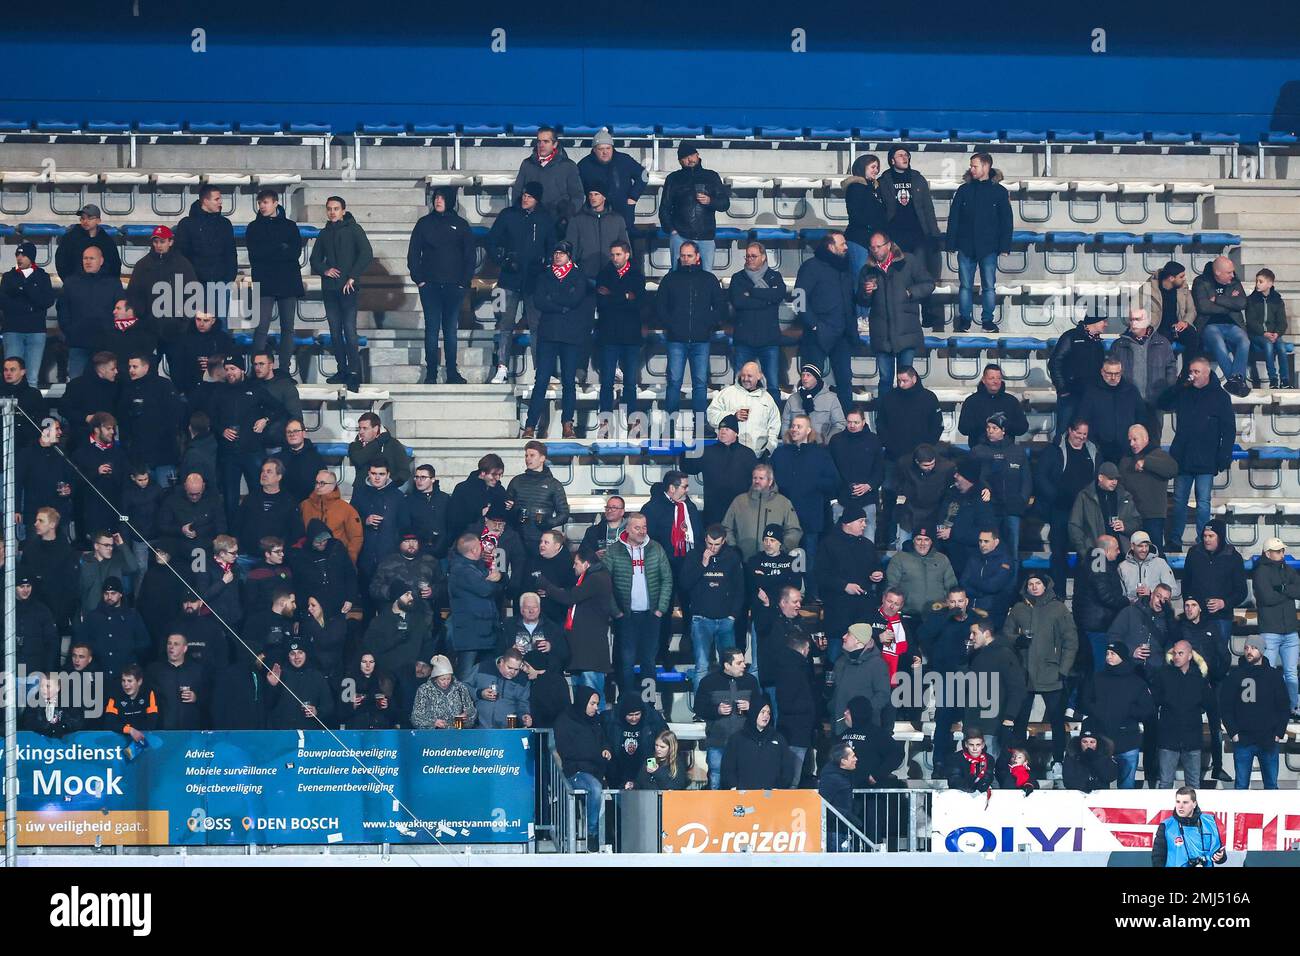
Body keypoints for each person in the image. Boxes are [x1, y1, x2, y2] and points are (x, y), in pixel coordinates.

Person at [1003, 574, 1077, 776]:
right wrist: (1018, 640)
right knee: (1020, 721)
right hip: (1024, 673)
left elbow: (1071, 641)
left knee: (1056, 720)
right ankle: (1017, 761)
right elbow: (1006, 634)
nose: (1034, 587)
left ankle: (1059, 761)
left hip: (1051, 672)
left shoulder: (1058, 609)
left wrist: (1063, 669)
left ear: (1046, 585)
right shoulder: (1019, 609)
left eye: (1038, 584)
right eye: (1031, 584)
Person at [1159, 357, 1235, 552]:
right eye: (1190, 371)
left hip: (1207, 458)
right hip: (1183, 457)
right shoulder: (1183, 391)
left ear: (1207, 373)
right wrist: (1179, 385)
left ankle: (1202, 541)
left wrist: (1224, 456)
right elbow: (1162, 402)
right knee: (1178, 502)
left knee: (1203, 503)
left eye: (1196, 371)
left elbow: (1228, 429)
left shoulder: (1220, 396)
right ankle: (1174, 540)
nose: (1192, 374)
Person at [486, 181, 555, 384]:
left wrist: (545, 264)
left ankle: (540, 370)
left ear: (537, 199)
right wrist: (503, 258)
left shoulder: (544, 219)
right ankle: (502, 368)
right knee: (505, 325)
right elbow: (491, 241)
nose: (526, 198)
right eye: (524, 195)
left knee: (537, 327)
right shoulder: (508, 215)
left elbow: (552, 246)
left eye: (530, 196)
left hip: (535, 281)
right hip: (509, 279)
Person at [522, 241, 590, 439]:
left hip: (570, 335)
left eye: (562, 253)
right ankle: (530, 426)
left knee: (569, 381)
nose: (558, 256)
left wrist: (554, 299)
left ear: (570, 256)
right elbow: (539, 301)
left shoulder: (578, 276)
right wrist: (561, 305)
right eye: (556, 252)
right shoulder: (544, 276)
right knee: (541, 380)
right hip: (548, 334)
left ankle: (567, 425)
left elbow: (576, 299)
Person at [407, 187, 474, 385]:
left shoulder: (461, 225)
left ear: (451, 200)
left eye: (442, 198)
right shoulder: (423, 224)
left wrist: (463, 282)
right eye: (436, 197)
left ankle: (452, 372)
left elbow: (470, 256)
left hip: (454, 286)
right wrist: (419, 279)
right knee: (432, 330)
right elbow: (413, 254)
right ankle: (431, 373)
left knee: (450, 331)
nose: (438, 201)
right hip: (430, 287)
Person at [855, 230, 935, 393]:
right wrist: (866, 293)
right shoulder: (867, 270)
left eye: (878, 246)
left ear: (889, 245)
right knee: (885, 379)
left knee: (906, 378)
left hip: (906, 330)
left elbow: (928, 284)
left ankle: (907, 416)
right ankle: (884, 417)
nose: (875, 250)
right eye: (872, 247)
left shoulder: (909, 262)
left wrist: (910, 292)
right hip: (881, 334)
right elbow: (861, 300)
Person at [657, 240, 725, 428]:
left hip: (701, 339)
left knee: (700, 384)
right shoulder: (670, 279)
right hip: (676, 340)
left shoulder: (709, 279)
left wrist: (707, 324)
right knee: (674, 383)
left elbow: (720, 307)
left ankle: (700, 426)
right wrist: (672, 325)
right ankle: (669, 426)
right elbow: (660, 307)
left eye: (689, 255)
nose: (685, 259)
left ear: (697, 257)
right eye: (683, 255)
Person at [309, 195, 373, 390]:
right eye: (329, 209)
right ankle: (342, 369)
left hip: (349, 288)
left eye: (336, 208)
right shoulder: (324, 233)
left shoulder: (354, 229)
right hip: (330, 289)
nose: (332, 212)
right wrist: (325, 269)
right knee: (335, 332)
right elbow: (314, 259)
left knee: (349, 331)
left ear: (343, 210)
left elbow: (366, 253)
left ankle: (354, 372)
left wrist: (353, 276)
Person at [878, 146, 944, 331]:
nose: (905, 157)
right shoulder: (883, 181)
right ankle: (903, 317)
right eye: (900, 155)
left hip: (918, 234)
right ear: (892, 160)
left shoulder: (917, 178)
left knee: (922, 274)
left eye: (906, 155)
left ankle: (928, 313)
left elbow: (928, 209)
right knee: (899, 276)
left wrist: (933, 233)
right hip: (895, 235)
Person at [946, 153, 1013, 333]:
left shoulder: (999, 191)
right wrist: (951, 243)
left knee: (989, 286)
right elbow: (954, 218)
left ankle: (987, 321)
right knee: (965, 286)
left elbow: (1006, 220)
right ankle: (965, 320)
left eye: (975, 166)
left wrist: (1005, 246)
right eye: (971, 166)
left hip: (989, 247)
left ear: (986, 167)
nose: (971, 169)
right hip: (966, 246)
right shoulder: (963, 190)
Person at [541, 544, 614, 708]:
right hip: (580, 654)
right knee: (581, 701)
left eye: (576, 563)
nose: (573, 566)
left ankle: (598, 729)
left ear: (586, 563)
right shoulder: (589, 579)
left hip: (591, 655)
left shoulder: (597, 578)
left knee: (593, 697)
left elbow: (571, 597)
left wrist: (547, 586)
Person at [772, 415, 838, 594]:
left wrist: (813, 483)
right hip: (785, 518)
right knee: (786, 558)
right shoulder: (780, 453)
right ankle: (786, 594)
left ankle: (811, 595)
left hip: (811, 517)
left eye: (799, 426)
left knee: (810, 559)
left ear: (809, 430)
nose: (794, 429)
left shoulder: (820, 454)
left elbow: (833, 482)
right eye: (793, 426)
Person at [1035, 419, 1100, 594]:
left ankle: (1085, 592)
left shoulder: (1092, 451)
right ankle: (1059, 594)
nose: (1081, 437)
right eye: (1078, 433)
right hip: (1061, 508)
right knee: (1059, 552)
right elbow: (1041, 477)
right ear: (1070, 431)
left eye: (1085, 434)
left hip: (1085, 510)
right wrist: (1055, 496)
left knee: (1087, 551)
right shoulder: (1053, 450)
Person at [794, 230, 856, 412]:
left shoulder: (845, 268)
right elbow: (798, 299)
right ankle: (808, 427)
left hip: (842, 335)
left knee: (845, 382)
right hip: (816, 335)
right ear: (830, 246)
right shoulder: (811, 266)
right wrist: (814, 325)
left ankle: (846, 425)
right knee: (809, 383)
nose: (846, 247)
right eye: (842, 244)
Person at [918, 587, 978, 774]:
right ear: (947, 602)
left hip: (971, 677)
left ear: (966, 601)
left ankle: (971, 762)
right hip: (945, 676)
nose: (956, 605)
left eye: (960, 601)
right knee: (944, 719)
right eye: (952, 602)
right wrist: (946, 616)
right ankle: (939, 762)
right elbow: (922, 635)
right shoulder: (939, 617)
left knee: (970, 720)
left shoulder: (976, 619)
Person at [679, 524, 745, 692]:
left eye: (717, 544)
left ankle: (730, 704)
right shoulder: (694, 555)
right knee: (702, 665)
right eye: (709, 544)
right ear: (705, 539)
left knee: (730, 665)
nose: (712, 548)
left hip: (725, 620)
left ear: (724, 541)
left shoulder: (732, 557)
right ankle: (700, 709)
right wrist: (703, 564)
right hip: (701, 620)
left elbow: (740, 589)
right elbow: (684, 584)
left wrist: (733, 616)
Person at [1081, 641, 1155, 789]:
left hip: (1128, 741)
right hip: (1102, 741)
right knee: (1099, 789)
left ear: (1122, 656)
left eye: (1113, 654)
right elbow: (1085, 701)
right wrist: (1099, 711)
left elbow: (1147, 709)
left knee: (1126, 789)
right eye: (1107, 653)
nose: (1109, 657)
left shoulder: (1136, 681)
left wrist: (1128, 711)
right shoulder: (1097, 678)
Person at [246, 189, 305, 374]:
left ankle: (284, 370)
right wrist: (280, 247)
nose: (262, 206)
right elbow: (256, 254)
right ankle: (257, 370)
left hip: (287, 281)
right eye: (260, 202)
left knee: (288, 328)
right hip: (264, 282)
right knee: (261, 328)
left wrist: (271, 250)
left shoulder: (290, 226)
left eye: (266, 202)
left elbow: (295, 252)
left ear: (275, 203)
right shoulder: (254, 227)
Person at [1220, 635, 1291, 789]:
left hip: (1268, 740)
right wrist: (1234, 732)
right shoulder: (1235, 676)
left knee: (1271, 786)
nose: (1249, 651)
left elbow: (1284, 706)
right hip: (1243, 740)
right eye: (1246, 648)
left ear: (1262, 650)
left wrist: (1278, 732)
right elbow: (1225, 706)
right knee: (1241, 786)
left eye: (1253, 648)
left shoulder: (1273, 676)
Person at [593, 240, 645, 428]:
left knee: (630, 383)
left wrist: (612, 295)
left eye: (618, 254)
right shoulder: (603, 274)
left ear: (627, 254)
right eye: (613, 254)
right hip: (608, 336)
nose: (615, 258)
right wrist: (625, 296)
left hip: (631, 337)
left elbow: (639, 304)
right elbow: (602, 304)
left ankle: (633, 424)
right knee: (606, 383)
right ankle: (604, 424)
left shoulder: (637, 275)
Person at [819, 506, 884, 654]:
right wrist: (844, 586)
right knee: (835, 658)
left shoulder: (867, 545)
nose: (864, 525)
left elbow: (876, 567)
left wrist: (878, 574)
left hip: (862, 614)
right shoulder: (828, 544)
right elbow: (821, 575)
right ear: (848, 522)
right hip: (838, 613)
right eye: (861, 521)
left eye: (865, 521)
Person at [1151, 639, 1215, 789]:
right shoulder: (1163, 676)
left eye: (1181, 653)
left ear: (1190, 656)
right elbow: (1153, 702)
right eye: (1175, 653)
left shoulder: (1199, 679)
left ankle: (1194, 813)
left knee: (1193, 784)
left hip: (1192, 739)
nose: (1176, 656)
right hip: (1168, 739)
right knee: (1165, 783)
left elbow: (1211, 705)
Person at [694, 647, 761, 789]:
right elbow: (699, 708)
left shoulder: (751, 681)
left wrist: (751, 707)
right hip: (718, 741)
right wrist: (716, 710)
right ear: (727, 665)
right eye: (739, 663)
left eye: (743, 662)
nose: (744, 665)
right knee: (716, 778)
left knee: (746, 778)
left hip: (745, 742)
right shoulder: (708, 682)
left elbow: (762, 708)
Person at [729, 242, 787, 405]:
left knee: (773, 385)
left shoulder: (775, 276)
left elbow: (778, 295)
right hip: (744, 340)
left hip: (769, 340)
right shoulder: (737, 278)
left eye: (753, 256)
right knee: (741, 386)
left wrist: (752, 292)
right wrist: (766, 299)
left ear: (763, 257)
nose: (750, 259)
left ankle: (774, 424)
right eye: (747, 256)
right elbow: (739, 302)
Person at [553, 687, 609, 849]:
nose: (595, 707)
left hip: (596, 769)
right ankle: (592, 832)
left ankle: (609, 833)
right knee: (595, 788)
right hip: (575, 770)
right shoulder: (565, 720)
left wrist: (606, 749)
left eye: (597, 704)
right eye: (592, 704)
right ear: (582, 702)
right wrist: (596, 754)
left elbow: (604, 740)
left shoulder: (595, 720)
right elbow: (567, 751)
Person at [659, 141, 730, 271]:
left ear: (698, 155)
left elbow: (725, 203)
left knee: (707, 275)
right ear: (680, 161)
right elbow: (664, 208)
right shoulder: (673, 178)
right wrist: (672, 231)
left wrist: (710, 201)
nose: (689, 159)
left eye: (691, 155)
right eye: (685, 157)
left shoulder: (711, 176)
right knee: (677, 274)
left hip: (706, 236)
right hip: (680, 235)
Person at [115, 353, 183, 487]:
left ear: (146, 367)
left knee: (166, 491)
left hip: (164, 452)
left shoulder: (164, 386)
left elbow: (176, 414)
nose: (131, 370)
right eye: (129, 367)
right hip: (139, 455)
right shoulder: (127, 389)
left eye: (135, 366)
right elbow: (123, 419)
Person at [962, 620, 1027, 758]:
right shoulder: (975, 654)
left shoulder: (1004, 654)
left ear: (986, 633)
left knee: (989, 765)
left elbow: (1017, 687)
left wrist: (1009, 717)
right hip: (972, 722)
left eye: (974, 633)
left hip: (992, 723)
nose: (971, 637)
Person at [173, 185, 238, 324]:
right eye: (217, 199)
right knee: (193, 326)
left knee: (220, 325)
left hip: (220, 284)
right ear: (205, 201)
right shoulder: (187, 224)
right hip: (195, 285)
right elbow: (180, 255)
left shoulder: (225, 224)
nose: (220, 202)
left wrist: (228, 278)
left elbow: (231, 253)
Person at [1252, 538, 1300, 719]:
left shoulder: (1288, 570)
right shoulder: (1260, 572)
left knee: (1291, 673)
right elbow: (1266, 598)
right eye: (1277, 551)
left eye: (1282, 550)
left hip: (1290, 632)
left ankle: (1293, 708)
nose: (1281, 553)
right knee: (1268, 672)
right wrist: (1288, 593)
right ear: (1268, 553)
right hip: (1270, 631)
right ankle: (1268, 708)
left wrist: (1281, 589)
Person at [447, 533, 505, 681]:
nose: (482, 548)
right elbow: (486, 589)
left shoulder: (476, 567)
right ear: (473, 550)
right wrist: (494, 581)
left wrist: (498, 576)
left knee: (486, 677)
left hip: (485, 633)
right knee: (466, 677)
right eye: (480, 545)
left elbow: (499, 585)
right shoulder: (461, 570)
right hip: (469, 635)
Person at [1191, 255, 1252, 397]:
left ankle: (1234, 381)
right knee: (1218, 343)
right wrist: (1230, 305)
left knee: (1245, 341)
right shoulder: (1201, 282)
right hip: (1209, 324)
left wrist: (1218, 299)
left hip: (1232, 324)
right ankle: (1237, 381)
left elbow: (1242, 303)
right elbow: (1204, 307)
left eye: (1232, 272)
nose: (1232, 275)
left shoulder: (1234, 281)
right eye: (1229, 272)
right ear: (1217, 272)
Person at [971, 412, 1032, 554]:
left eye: (995, 428)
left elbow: (1027, 480)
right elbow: (973, 479)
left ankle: (1012, 576)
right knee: (988, 550)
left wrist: (1021, 500)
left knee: (1013, 552)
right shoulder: (978, 451)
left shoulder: (1017, 452)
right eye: (988, 427)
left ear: (1003, 431)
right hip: (989, 510)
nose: (990, 431)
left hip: (1012, 509)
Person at [57, 246, 121, 378]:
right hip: (78, 343)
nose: (88, 261)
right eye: (85, 258)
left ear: (101, 260)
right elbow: (62, 309)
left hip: (105, 344)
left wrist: (112, 333)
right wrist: (70, 330)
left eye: (92, 258)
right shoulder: (70, 283)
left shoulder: (113, 283)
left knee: (105, 384)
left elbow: (121, 309)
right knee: (76, 383)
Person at [1181, 518, 1246, 647]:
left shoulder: (1233, 557)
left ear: (1220, 537)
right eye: (1205, 536)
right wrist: (1191, 605)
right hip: (1197, 616)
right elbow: (1186, 583)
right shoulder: (1194, 554)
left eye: (1211, 536)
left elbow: (1242, 591)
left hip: (1221, 617)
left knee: (1219, 656)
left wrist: (1224, 603)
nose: (1207, 539)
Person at [681, 415, 757, 526]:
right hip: (713, 510)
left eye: (727, 429)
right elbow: (689, 467)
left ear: (736, 433)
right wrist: (685, 451)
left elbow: (755, 481)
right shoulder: (707, 452)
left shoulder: (747, 454)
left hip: (740, 510)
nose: (723, 431)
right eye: (721, 429)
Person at [1075, 358, 1152, 466]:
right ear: (1102, 372)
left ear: (1121, 372)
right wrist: (1093, 443)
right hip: (1100, 450)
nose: (1113, 377)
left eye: (1117, 374)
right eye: (1109, 373)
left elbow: (1142, 418)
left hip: (1127, 449)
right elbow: (1083, 418)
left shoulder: (1131, 390)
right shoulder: (1091, 392)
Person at [74, 576, 150, 684]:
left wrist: (133, 662)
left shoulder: (132, 616)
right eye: (106, 593)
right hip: (98, 676)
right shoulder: (93, 617)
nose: (109, 597)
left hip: (125, 677)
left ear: (121, 594)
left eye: (113, 593)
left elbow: (144, 643)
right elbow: (82, 643)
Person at [1111, 310, 1178, 429]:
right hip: (1128, 403)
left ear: (1147, 321)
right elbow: (1112, 372)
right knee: (1129, 441)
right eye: (1131, 320)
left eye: (1137, 319)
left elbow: (1171, 369)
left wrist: (1166, 394)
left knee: (1154, 442)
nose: (1133, 323)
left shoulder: (1162, 343)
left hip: (1155, 402)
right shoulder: (1119, 345)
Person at [1, 242, 56, 385]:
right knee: (12, 375)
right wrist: (31, 304)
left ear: (31, 257)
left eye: (23, 255)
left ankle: (30, 407)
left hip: (36, 331)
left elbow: (47, 301)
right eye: (17, 254)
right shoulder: (8, 277)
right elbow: (4, 302)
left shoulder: (42, 277)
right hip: (13, 329)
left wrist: (23, 289)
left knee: (32, 377)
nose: (19, 258)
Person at [721, 462, 801, 561]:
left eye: (761, 478)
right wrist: (734, 549)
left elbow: (794, 530)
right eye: (755, 478)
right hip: (744, 560)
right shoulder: (739, 501)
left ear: (770, 481)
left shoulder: (783, 503)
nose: (757, 481)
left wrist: (781, 549)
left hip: (773, 563)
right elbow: (726, 528)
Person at [766, 632, 817, 786]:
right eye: (808, 648)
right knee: (791, 780)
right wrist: (809, 710)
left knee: (791, 778)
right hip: (796, 731)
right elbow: (788, 701)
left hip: (793, 730)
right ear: (803, 649)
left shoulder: (788, 665)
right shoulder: (795, 668)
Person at [827, 404, 885, 537]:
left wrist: (869, 486)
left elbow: (880, 470)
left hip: (867, 499)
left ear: (864, 422)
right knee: (840, 542)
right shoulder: (836, 441)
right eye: (849, 422)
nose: (852, 425)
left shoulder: (874, 440)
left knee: (868, 539)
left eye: (856, 422)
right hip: (841, 499)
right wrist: (834, 500)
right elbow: (830, 471)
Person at [1118, 424, 1178, 551]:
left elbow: (1172, 469)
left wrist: (1147, 463)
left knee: (1154, 552)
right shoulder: (1125, 460)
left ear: (1145, 438)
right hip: (1132, 517)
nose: (1132, 444)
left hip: (1153, 516)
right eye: (1129, 440)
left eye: (1135, 439)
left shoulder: (1159, 454)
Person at [1048, 314, 1108, 440]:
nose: (1106, 324)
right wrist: (1063, 389)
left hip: (1090, 396)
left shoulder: (1097, 342)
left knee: (1087, 434)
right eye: (1104, 321)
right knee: (1064, 432)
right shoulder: (1071, 336)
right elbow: (1055, 362)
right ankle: (1059, 458)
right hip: (1070, 395)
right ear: (1094, 321)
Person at [842, 154, 886, 324]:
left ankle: (866, 315)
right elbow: (856, 215)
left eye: (877, 167)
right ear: (863, 167)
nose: (876, 170)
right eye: (873, 166)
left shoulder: (875, 189)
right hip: (858, 239)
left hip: (871, 240)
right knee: (859, 277)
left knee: (870, 278)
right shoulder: (856, 187)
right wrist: (872, 226)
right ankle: (860, 315)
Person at [506, 440, 571, 553]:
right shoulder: (516, 481)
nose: (528, 459)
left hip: (541, 540)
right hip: (517, 538)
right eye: (526, 455)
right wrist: (513, 510)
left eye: (532, 455)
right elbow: (506, 510)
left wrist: (548, 523)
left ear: (542, 458)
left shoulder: (554, 484)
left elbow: (564, 514)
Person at [511, 126, 585, 226]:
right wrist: (520, 213)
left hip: (559, 222)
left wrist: (567, 216)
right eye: (539, 141)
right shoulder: (527, 164)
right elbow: (517, 192)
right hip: (532, 221)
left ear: (555, 144)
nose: (541, 145)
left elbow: (577, 195)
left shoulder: (568, 166)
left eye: (546, 141)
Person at [706, 361, 782, 457]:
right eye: (743, 375)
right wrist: (733, 416)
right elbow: (711, 414)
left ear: (759, 376)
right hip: (729, 456)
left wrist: (768, 450)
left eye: (749, 376)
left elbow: (774, 428)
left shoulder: (767, 399)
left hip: (757, 456)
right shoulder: (727, 393)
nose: (745, 379)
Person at [719, 695, 794, 790]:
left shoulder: (778, 739)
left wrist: (779, 787)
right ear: (754, 712)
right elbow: (727, 768)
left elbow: (787, 768)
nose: (766, 716)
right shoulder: (737, 739)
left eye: (768, 713)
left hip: (770, 795)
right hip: (743, 795)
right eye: (762, 712)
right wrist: (733, 787)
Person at [935, 459, 995, 577]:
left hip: (964, 559)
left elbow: (986, 533)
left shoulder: (981, 500)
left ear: (968, 479)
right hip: (942, 552)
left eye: (959, 473)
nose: (955, 475)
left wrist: (953, 533)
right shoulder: (950, 493)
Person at [577, 128, 645, 231]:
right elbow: (576, 188)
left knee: (624, 243)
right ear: (594, 149)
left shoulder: (624, 160)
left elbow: (644, 176)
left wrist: (633, 197)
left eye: (608, 148)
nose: (605, 152)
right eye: (601, 149)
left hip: (623, 212)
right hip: (595, 215)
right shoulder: (584, 165)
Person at [352, 460, 407, 588]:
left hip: (389, 554)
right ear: (368, 474)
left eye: (381, 474)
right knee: (366, 597)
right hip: (364, 554)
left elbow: (404, 525)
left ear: (388, 475)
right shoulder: (359, 494)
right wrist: (365, 520)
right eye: (374, 473)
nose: (377, 477)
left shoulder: (397, 496)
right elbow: (351, 521)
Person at [1069, 463, 1140, 558]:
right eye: (1111, 478)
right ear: (1100, 477)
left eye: (1116, 479)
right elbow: (1074, 526)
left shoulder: (1125, 496)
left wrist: (1125, 526)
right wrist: (1085, 551)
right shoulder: (1085, 497)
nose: (1114, 482)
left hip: (1121, 553)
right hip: (1095, 553)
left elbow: (1137, 522)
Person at [893, 442, 956, 548]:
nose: (930, 467)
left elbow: (949, 494)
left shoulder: (947, 468)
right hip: (910, 512)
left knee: (931, 549)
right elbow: (898, 485)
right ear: (917, 462)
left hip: (934, 513)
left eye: (932, 463)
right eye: (926, 465)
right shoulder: (904, 464)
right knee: (903, 547)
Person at [830, 624, 891, 730]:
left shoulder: (877, 664)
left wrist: (862, 713)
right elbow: (834, 692)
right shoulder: (841, 661)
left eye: (848, 634)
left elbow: (883, 695)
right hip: (839, 727)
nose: (843, 637)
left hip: (865, 729)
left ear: (858, 640)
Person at [1140, 261, 1199, 370]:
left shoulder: (1183, 287)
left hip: (1178, 326)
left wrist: (1185, 322)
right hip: (1157, 328)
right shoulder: (1148, 288)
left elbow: (1191, 310)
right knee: (1162, 345)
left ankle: (1186, 374)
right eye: (1181, 276)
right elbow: (1136, 309)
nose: (1184, 279)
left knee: (1193, 336)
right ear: (1171, 278)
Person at [886, 526, 957, 616]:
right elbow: (890, 588)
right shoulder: (899, 559)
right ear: (913, 541)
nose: (922, 543)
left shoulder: (942, 559)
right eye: (919, 539)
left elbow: (952, 588)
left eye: (926, 539)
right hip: (907, 615)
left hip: (937, 615)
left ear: (932, 542)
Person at [264, 641, 334, 730]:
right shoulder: (280, 675)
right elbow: (268, 704)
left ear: (306, 654)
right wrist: (272, 686)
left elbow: (328, 705)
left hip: (309, 732)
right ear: (288, 656)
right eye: (292, 653)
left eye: (300, 652)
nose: (297, 657)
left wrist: (317, 712)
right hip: (283, 732)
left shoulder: (317, 676)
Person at [566, 183, 629, 282]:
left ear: (604, 197)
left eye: (596, 194)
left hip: (612, 275)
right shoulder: (577, 220)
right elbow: (571, 247)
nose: (592, 198)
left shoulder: (617, 219)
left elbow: (625, 247)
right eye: (590, 194)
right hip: (585, 274)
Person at [1152, 787, 1227, 868]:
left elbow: (1219, 856)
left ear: (1194, 804)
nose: (1180, 806)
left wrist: (1220, 856)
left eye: (1185, 802)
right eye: (1178, 802)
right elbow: (1157, 858)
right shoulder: (1166, 826)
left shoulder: (1210, 822)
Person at [957, 365, 1028, 448]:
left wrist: (1003, 425)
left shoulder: (1011, 401)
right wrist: (986, 426)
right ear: (983, 380)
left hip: (1006, 452)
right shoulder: (972, 401)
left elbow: (1023, 427)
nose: (996, 381)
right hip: (980, 451)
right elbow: (963, 428)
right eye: (991, 378)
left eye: (998, 378)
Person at [145, 632, 206, 730]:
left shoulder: (197, 671)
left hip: (190, 731)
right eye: (169, 643)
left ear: (184, 648)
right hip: (162, 730)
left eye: (176, 644)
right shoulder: (154, 670)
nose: (171, 647)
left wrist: (196, 697)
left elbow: (208, 697)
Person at [300, 470, 362, 565]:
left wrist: (350, 560)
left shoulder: (346, 509)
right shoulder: (305, 505)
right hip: (309, 561)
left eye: (322, 483)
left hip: (336, 560)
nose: (318, 486)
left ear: (333, 485)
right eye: (316, 482)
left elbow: (356, 538)